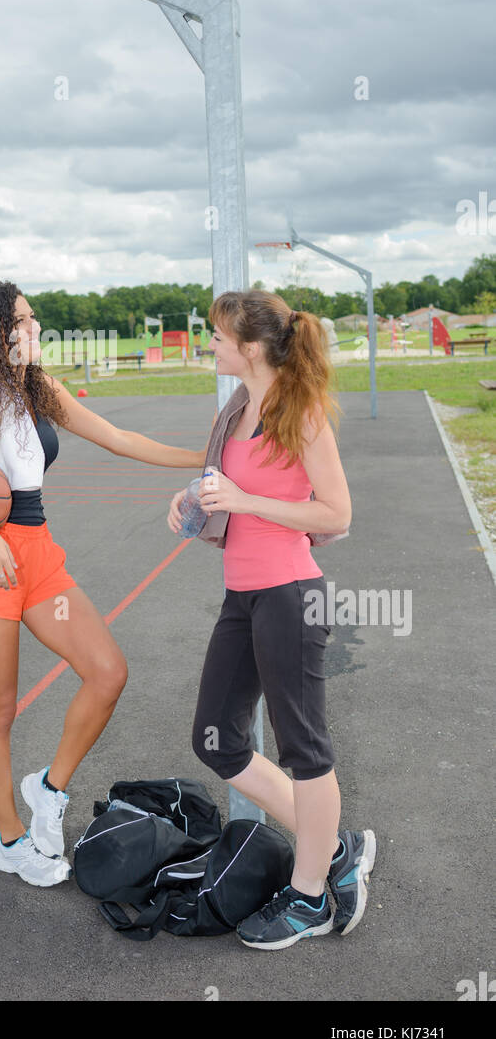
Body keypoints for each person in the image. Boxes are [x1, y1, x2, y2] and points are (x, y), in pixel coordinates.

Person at [0, 280, 207, 887]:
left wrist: (211, 458)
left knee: (107, 672)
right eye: (22, 323)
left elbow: (120, 439)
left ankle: (47, 790)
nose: (34, 330)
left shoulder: (36, 386)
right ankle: (12, 842)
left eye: (34, 320)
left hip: (38, 554)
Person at [170, 290, 376, 949]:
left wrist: (245, 499)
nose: (210, 345)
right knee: (215, 739)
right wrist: (189, 501)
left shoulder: (300, 410)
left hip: (289, 595)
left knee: (304, 754)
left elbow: (335, 515)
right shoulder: (235, 409)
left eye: (217, 336)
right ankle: (330, 848)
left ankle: (310, 896)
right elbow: (221, 488)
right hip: (242, 595)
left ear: (250, 346)